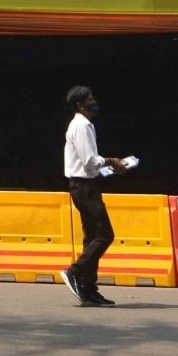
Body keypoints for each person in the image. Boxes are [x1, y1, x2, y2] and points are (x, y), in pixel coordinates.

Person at [62, 84, 126, 308]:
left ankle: (89, 289)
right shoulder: (81, 126)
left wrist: (111, 167)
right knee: (104, 234)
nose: (94, 102)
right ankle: (75, 272)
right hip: (83, 186)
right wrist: (110, 161)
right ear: (80, 104)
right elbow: (89, 161)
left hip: (86, 184)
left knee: (92, 237)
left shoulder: (83, 125)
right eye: (90, 99)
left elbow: (90, 165)